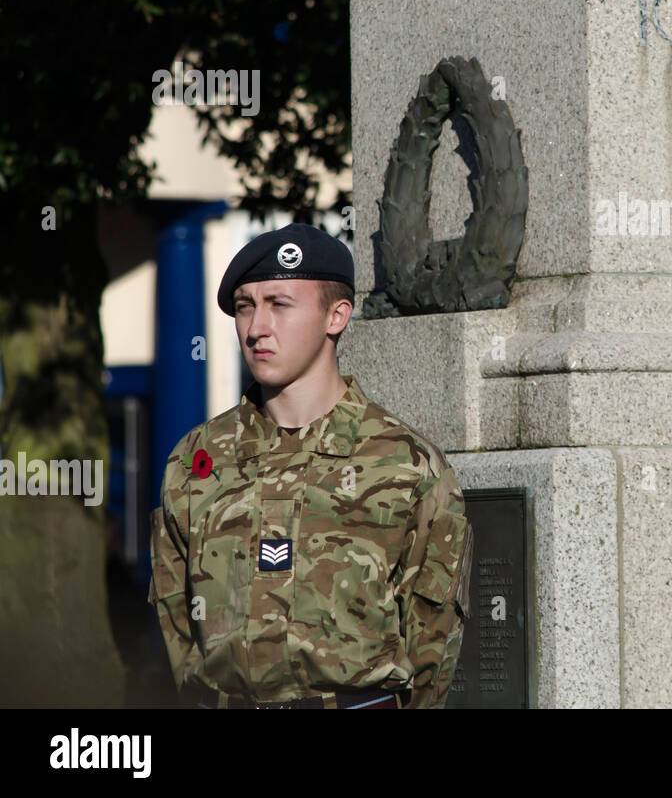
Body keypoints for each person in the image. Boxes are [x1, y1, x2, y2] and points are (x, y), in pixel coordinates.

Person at [147, 222, 473, 709]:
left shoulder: (405, 464)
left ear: (336, 316)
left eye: (280, 304)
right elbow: (177, 624)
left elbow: (432, 639)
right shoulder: (198, 462)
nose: (257, 327)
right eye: (244, 307)